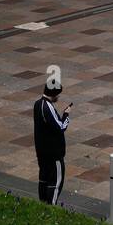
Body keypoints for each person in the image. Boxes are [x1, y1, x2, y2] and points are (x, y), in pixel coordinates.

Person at [32, 75, 71, 205]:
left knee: (44, 179)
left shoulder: (37, 104)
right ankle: (51, 208)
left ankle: (42, 204)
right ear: (53, 94)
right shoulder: (47, 106)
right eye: (57, 95)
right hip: (53, 154)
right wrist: (66, 115)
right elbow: (60, 127)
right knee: (56, 182)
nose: (58, 97)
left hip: (41, 151)